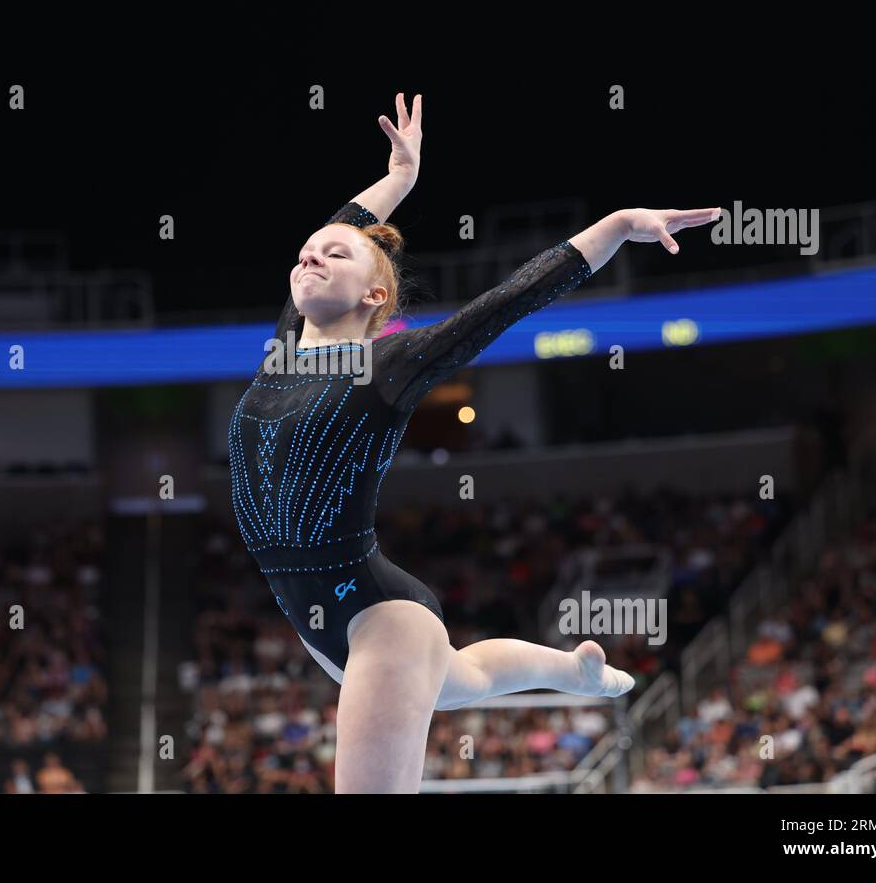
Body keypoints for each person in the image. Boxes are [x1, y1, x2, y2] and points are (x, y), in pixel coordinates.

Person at [227, 92, 720, 792]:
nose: (312, 253)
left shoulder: (386, 366)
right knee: (468, 675)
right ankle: (578, 673)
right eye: (307, 251)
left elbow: (510, 299)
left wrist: (613, 226)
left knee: (440, 687)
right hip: (324, 632)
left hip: (379, 619)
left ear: (374, 297)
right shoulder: (284, 350)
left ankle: (576, 675)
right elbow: (343, 220)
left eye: (334, 253)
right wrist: (400, 178)